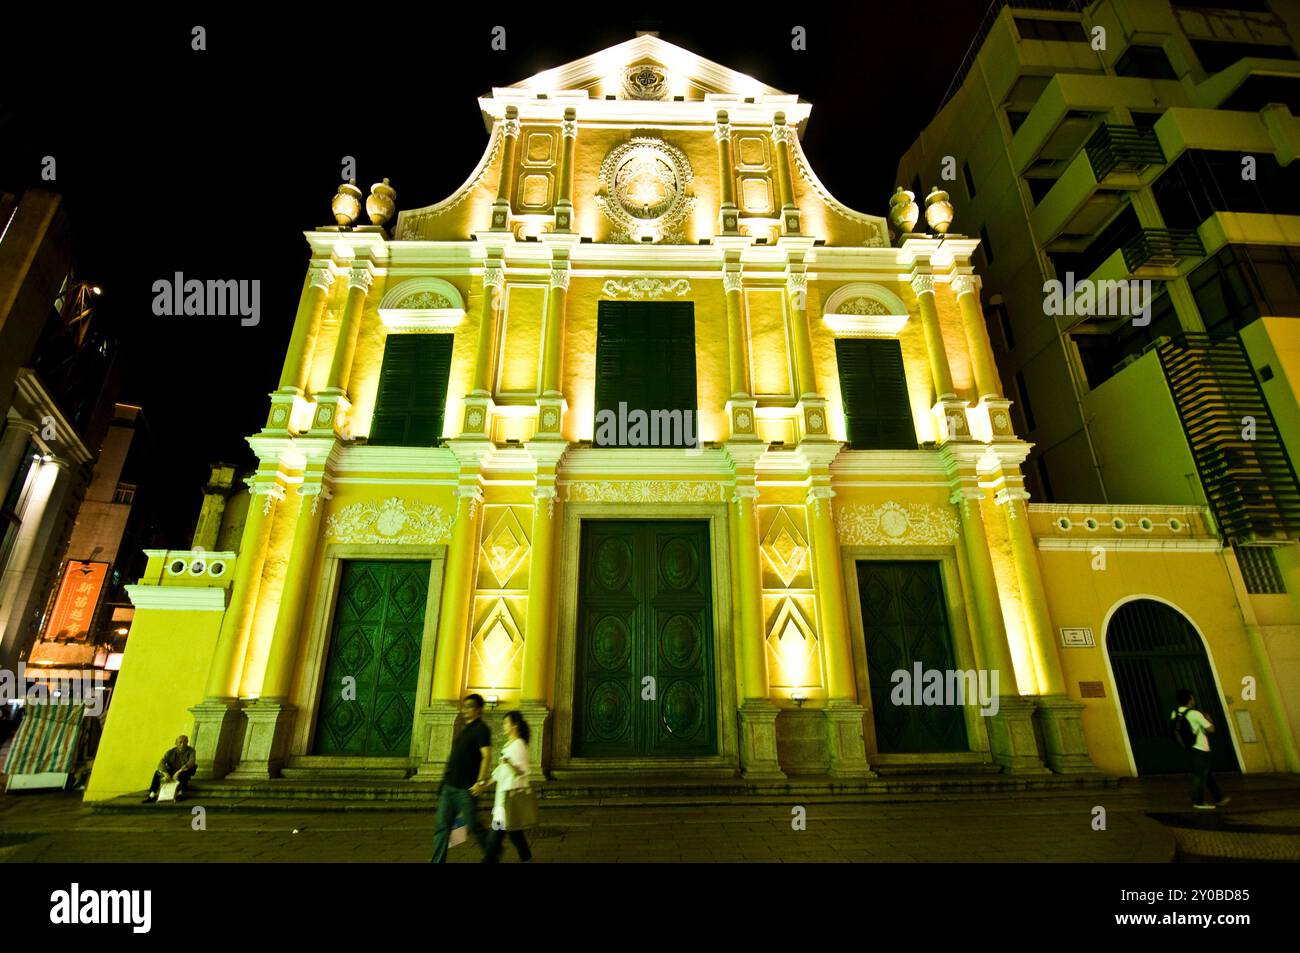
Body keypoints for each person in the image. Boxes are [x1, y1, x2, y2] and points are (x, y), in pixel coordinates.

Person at [431, 694, 492, 862]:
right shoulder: (465, 729)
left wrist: (480, 782)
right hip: (449, 787)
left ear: (479, 709)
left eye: (469, 706)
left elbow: (486, 755)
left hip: (466, 788)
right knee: (442, 828)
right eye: (464, 706)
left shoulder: (481, 729)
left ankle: (491, 852)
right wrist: (443, 782)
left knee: (472, 825)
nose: (465, 709)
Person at [483, 710, 534, 863]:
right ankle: (527, 860)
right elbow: (500, 771)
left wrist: (509, 763)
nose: (503, 726)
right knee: (516, 835)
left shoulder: (518, 745)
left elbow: (522, 772)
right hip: (504, 798)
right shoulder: (509, 744)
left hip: (509, 799)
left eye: (506, 723)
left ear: (515, 725)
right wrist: (485, 783)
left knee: (494, 840)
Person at [1172, 689, 1230, 810]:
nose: (1194, 700)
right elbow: (1211, 729)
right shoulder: (1195, 714)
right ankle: (1198, 802)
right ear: (1189, 699)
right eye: (1192, 697)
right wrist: (1208, 718)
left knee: (1206, 774)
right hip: (1200, 748)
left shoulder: (1175, 713)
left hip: (1188, 747)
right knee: (1200, 776)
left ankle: (1219, 798)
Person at [142, 734, 197, 803]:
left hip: (184, 770)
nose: (182, 745)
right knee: (157, 773)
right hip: (172, 770)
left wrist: (178, 772)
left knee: (184, 773)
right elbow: (161, 763)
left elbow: (191, 762)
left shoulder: (191, 751)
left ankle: (180, 793)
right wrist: (165, 773)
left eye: (185, 742)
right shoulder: (170, 752)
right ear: (176, 743)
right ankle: (152, 795)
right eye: (180, 742)